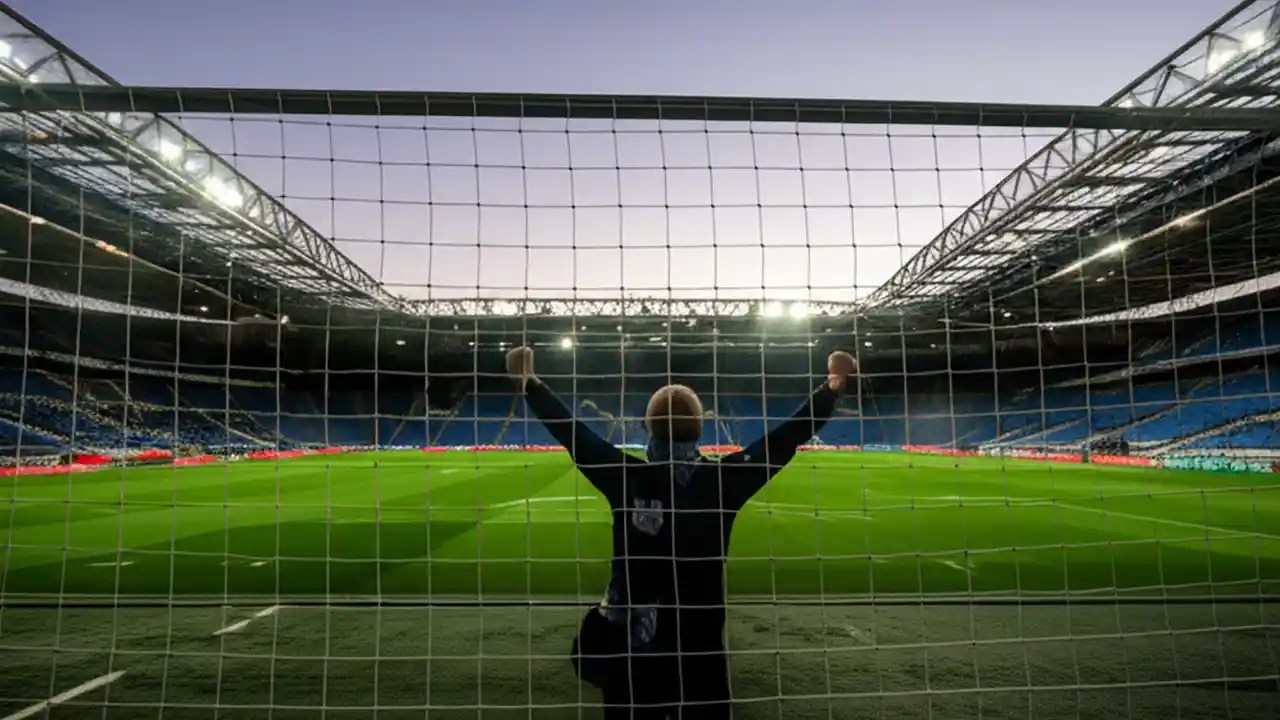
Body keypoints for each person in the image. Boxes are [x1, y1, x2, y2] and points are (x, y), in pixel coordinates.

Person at [505, 346, 856, 719]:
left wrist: (530, 383)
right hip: (700, 653)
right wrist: (832, 386)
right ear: (702, 429)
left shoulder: (625, 476)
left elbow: (571, 432)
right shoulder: (724, 481)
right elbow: (785, 438)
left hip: (634, 653)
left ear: (645, 427)